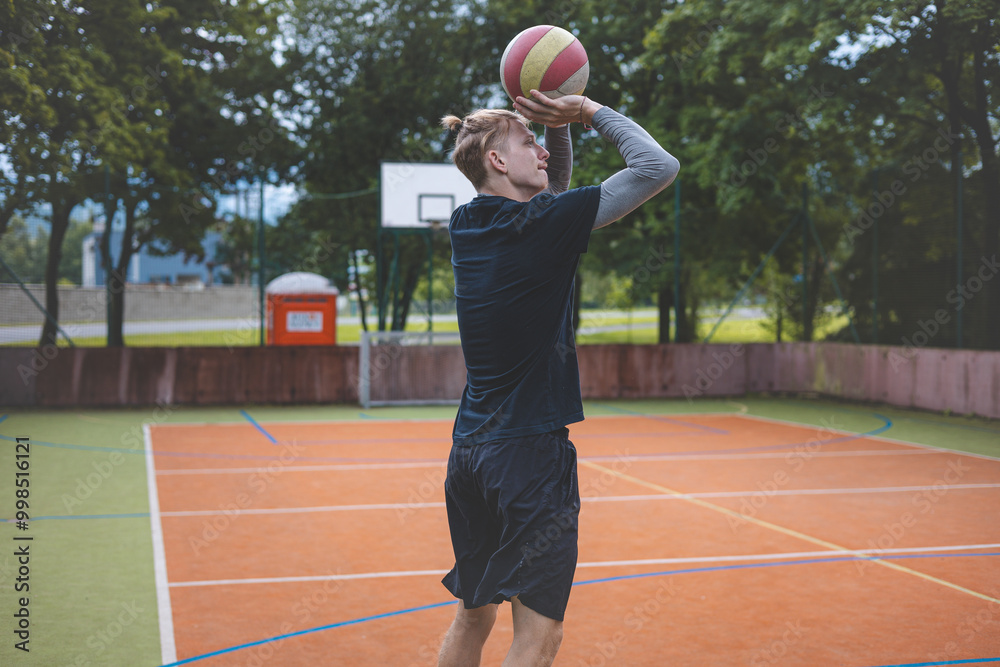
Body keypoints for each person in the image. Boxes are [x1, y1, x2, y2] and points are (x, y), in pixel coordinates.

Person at [437, 91, 679, 667]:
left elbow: (552, 195)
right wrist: (588, 111)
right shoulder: (542, 223)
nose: (542, 151)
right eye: (528, 142)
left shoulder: (468, 222)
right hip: (528, 457)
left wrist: (552, 129)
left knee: (474, 615)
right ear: (497, 161)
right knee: (540, 637)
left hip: (469, 452)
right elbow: (657, 167)